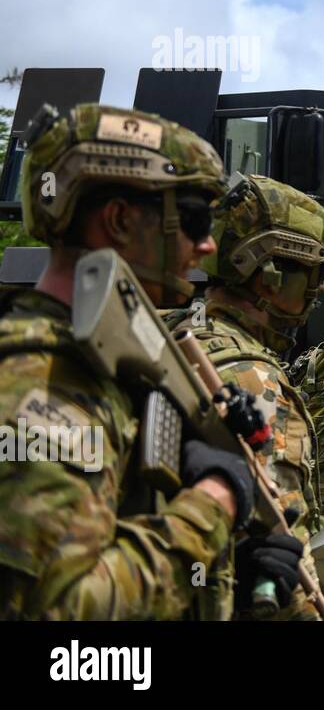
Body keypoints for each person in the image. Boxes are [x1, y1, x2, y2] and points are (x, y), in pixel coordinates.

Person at [0, 104, 287, 619]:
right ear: (119, 220)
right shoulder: (44, 382)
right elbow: (56, 615)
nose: (206, 245)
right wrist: (215, 503)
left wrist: (225, 571)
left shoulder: (107, 364)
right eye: (195, 218)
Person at [165, 172, 324, 619]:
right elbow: (280, 548)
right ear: (269, 279)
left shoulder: (174, 335)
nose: (319, 291)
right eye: (315, 274)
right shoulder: (252, 379)